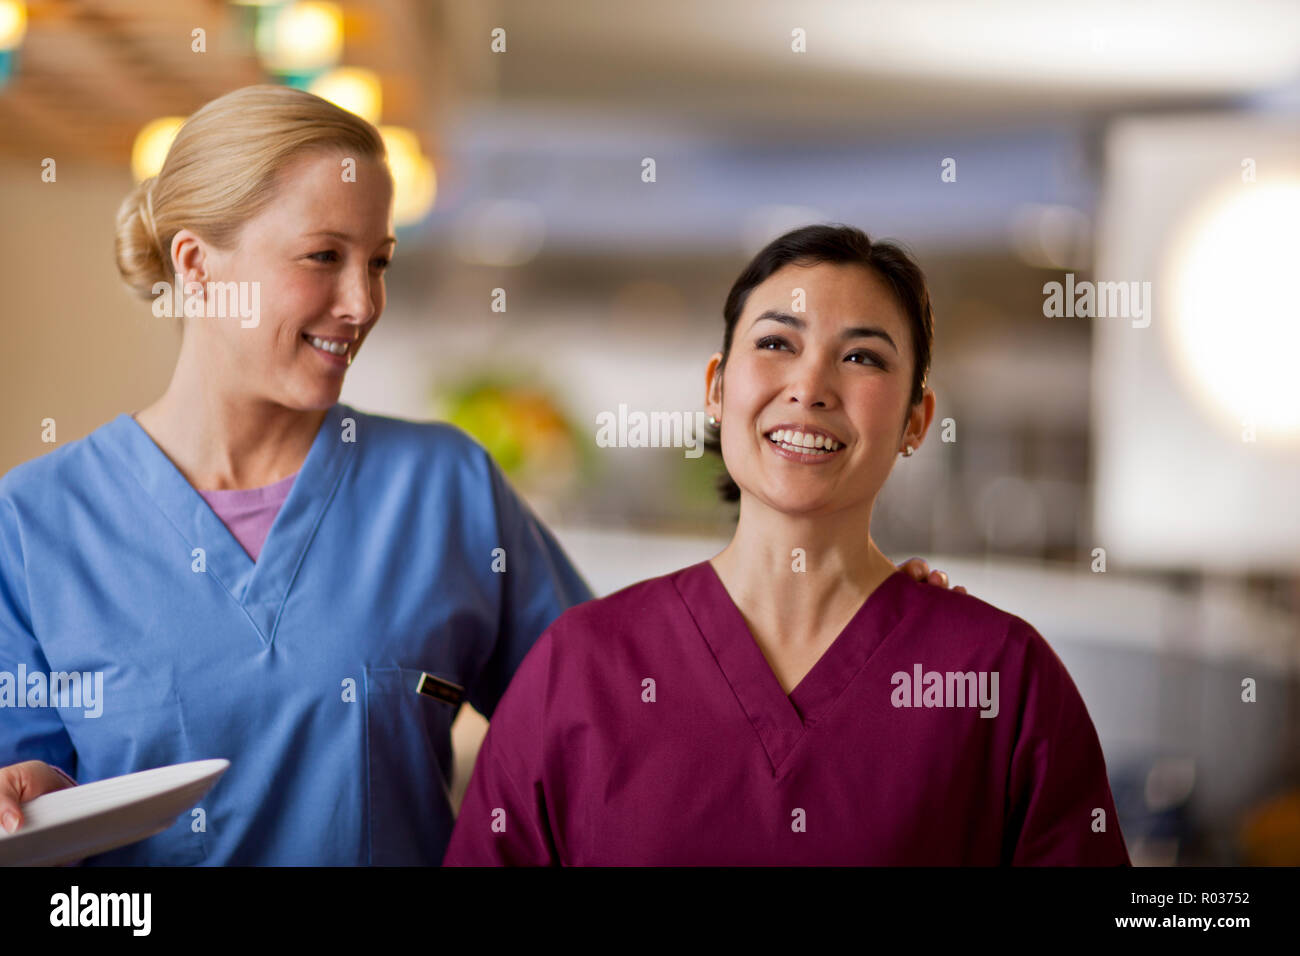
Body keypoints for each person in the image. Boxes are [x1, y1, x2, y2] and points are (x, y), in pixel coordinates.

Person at [0, 90, 958, 865]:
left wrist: (848, 610)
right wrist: (24, 798)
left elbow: (637, 713)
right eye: (323, 259)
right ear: (199, 268)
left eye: (378, 261)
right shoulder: (35, 525)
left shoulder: (443, 489)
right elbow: (29, 789)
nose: (362, 302)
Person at [443, 224, 1132, 866]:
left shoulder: (999, 680)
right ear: (717, 389)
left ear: (917, 420)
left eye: (862, 356)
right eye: (777, 343)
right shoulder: (581, 666)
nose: (810, 387)